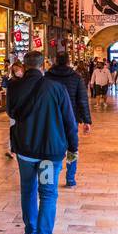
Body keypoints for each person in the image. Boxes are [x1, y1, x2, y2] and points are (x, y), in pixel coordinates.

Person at [6, 50, 78, 234]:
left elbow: (11, 113)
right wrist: (73, 148)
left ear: (25, 67)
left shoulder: (14, 86)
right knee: (47, 194)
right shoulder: (57, 88)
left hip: (26, 151)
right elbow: (69, 122)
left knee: (27, 189)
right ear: (42, 66)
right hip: (49, 152)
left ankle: (30, 232)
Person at [46, 51, 91, 188]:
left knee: (49, 147)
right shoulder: (76, 77)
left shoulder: (47, 76)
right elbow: (82, 100)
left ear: (55, 61)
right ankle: (70, 178)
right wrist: (86, 121)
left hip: (51, 117)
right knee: (72, 147)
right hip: (71, 117)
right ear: (68, 61)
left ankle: (48, 178)